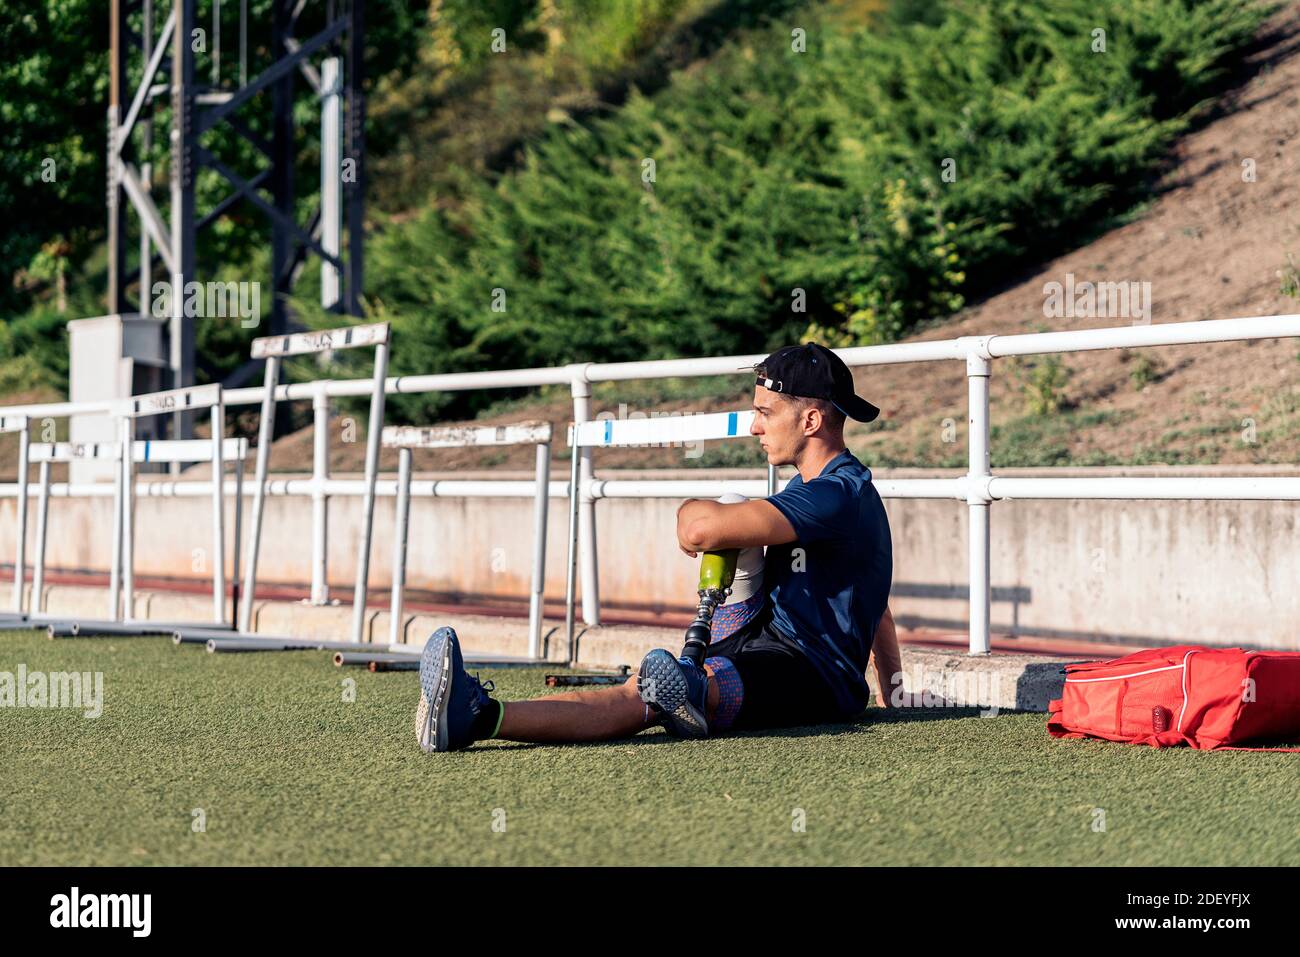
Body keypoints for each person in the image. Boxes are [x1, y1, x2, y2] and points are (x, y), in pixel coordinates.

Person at [414, 343, 896, 753]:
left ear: (810, 419)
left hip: (809, 676)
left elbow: (700, 531)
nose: (754, 427)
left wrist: (692, 515)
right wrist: (893, 693)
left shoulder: (836, 496)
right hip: (765, 641)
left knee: (656, 687)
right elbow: (876, 601)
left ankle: (689, 693)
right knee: (641, 689)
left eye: (765, 413)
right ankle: (477, 714)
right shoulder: (822, 491)